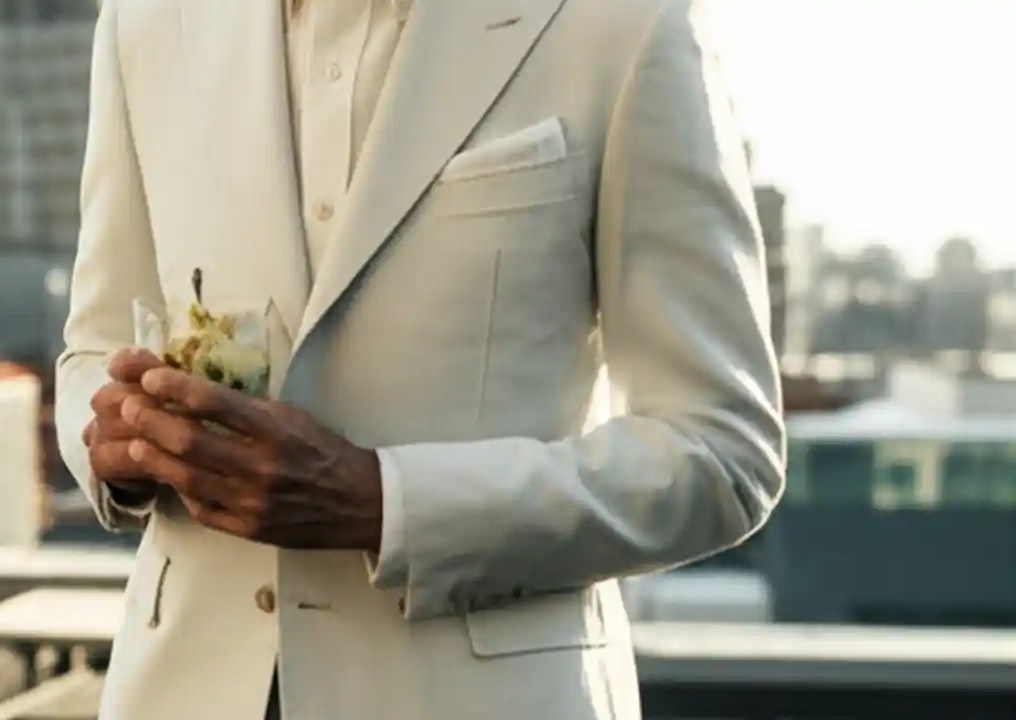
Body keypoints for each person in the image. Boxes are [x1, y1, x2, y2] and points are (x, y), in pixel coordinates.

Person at [56, 0, 786, 717]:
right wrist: (115, 435)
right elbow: (93, 347)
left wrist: (389, 505)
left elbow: (721, 453)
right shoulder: (146, 20)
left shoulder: (626, 20)